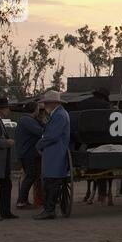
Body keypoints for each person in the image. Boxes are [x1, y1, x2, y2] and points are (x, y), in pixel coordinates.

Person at [35, 90, 70, 220]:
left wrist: (39, 144)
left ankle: (49, 210)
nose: (46, 105)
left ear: (53, 103)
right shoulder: (58, 114)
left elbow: (53, 135)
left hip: (56, 151)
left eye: (47, 102)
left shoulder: (60, 115)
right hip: (53, 151)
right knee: (50, 181)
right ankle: (48, 209)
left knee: (52, 181)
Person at [14, 101, 44, 209]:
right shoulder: (26, 120)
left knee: (31, 176)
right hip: (27, 152)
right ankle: (21, 201)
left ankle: (23, 200)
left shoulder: (28, 120)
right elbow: (40, 131)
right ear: (34, 109)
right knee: (30, 176)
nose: (38, 110)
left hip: (28, 152)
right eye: (37, 109)